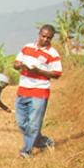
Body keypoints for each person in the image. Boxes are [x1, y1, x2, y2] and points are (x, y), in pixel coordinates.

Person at [14, 25, 62, 158]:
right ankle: (44, 141)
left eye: (49, 38)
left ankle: (26, 151)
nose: (45, 39)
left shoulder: (53, 53)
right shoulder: (27, 47)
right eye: (43, 36)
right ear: (39, 34)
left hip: (40, 92)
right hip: (22, 90)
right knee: (21, 123)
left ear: (52, 38)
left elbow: (57, 74)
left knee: (34, 124)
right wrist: (20, 65)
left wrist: (38, 71)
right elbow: (15, 64)